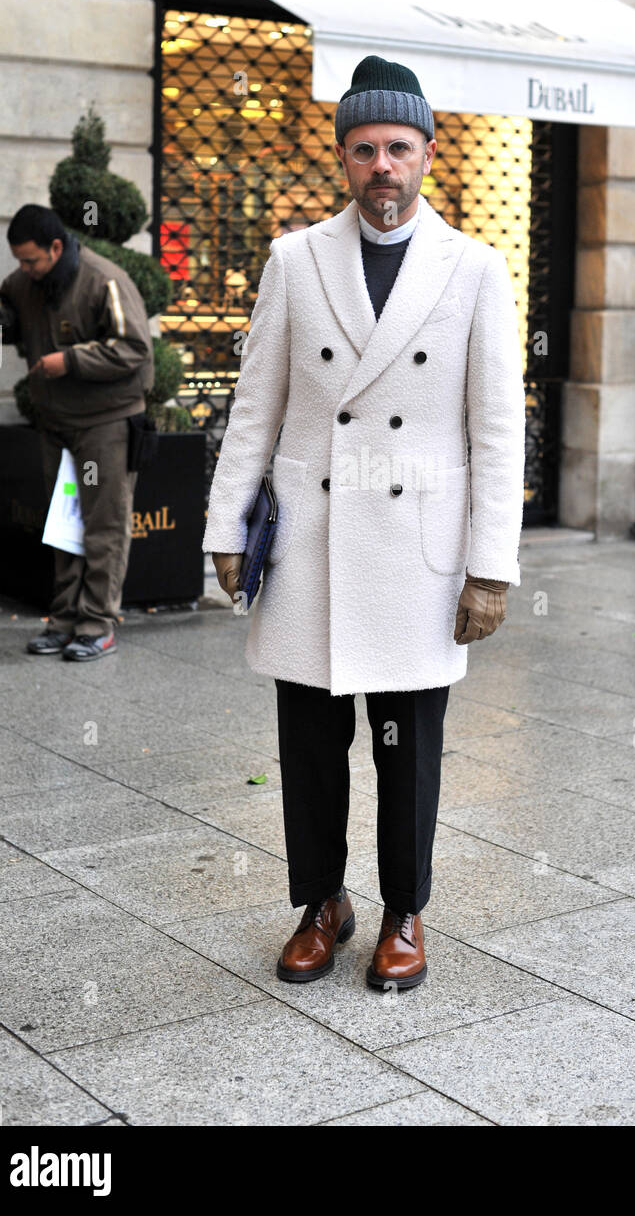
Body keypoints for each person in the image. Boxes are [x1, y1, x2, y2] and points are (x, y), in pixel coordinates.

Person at [203, 55, 525, 990]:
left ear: (427, 152)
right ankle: (322, 903)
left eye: (396, 146)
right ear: (341, 159)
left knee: (407, 749)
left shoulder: (474, 268)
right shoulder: (294, 259)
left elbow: (498, 432)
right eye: (361, 149)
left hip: (418, 554)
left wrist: (489, 568)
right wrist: (226, 525)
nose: (380, 165)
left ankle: (406, 912)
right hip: (311, 542)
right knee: (307, 746)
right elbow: (255, 406)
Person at [0, 204, 153, 660]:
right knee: (63, 525)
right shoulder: (23, 283)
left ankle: (97, 624)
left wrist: (70, 360)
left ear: (57, 247)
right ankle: (63, 620)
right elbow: (14, 314)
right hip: (56, 423)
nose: (24, 269)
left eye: (31, 260)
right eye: (19, 260)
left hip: (105, 422)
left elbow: (133, 347)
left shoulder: (103, 279)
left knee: (103, 523)